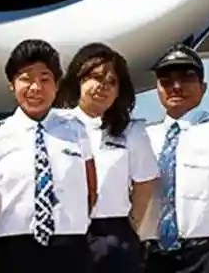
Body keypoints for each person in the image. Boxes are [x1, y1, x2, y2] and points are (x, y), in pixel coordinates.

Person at [0, 39, 96, 270]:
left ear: (57, 84)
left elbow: (91, 188)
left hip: (71, 246)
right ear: (12, 84)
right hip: (14, 246)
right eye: (25, 79)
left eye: (44, 79)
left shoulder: (76, 130)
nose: (35, 88)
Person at [56, 42, 157, 273]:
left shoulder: (131, 131)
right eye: (95, 77)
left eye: (112, 81)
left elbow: (144, 185)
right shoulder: (55, 125)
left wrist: (131, 229)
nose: (103, 86)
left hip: (113, 237)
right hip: (63, 234)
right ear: (78, 79)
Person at [142, 44, 209, 273]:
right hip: (153, 254)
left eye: (186, 79)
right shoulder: (143, 136)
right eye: (166, 81)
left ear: (203, 87)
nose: (176, 87)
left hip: (206, 253)